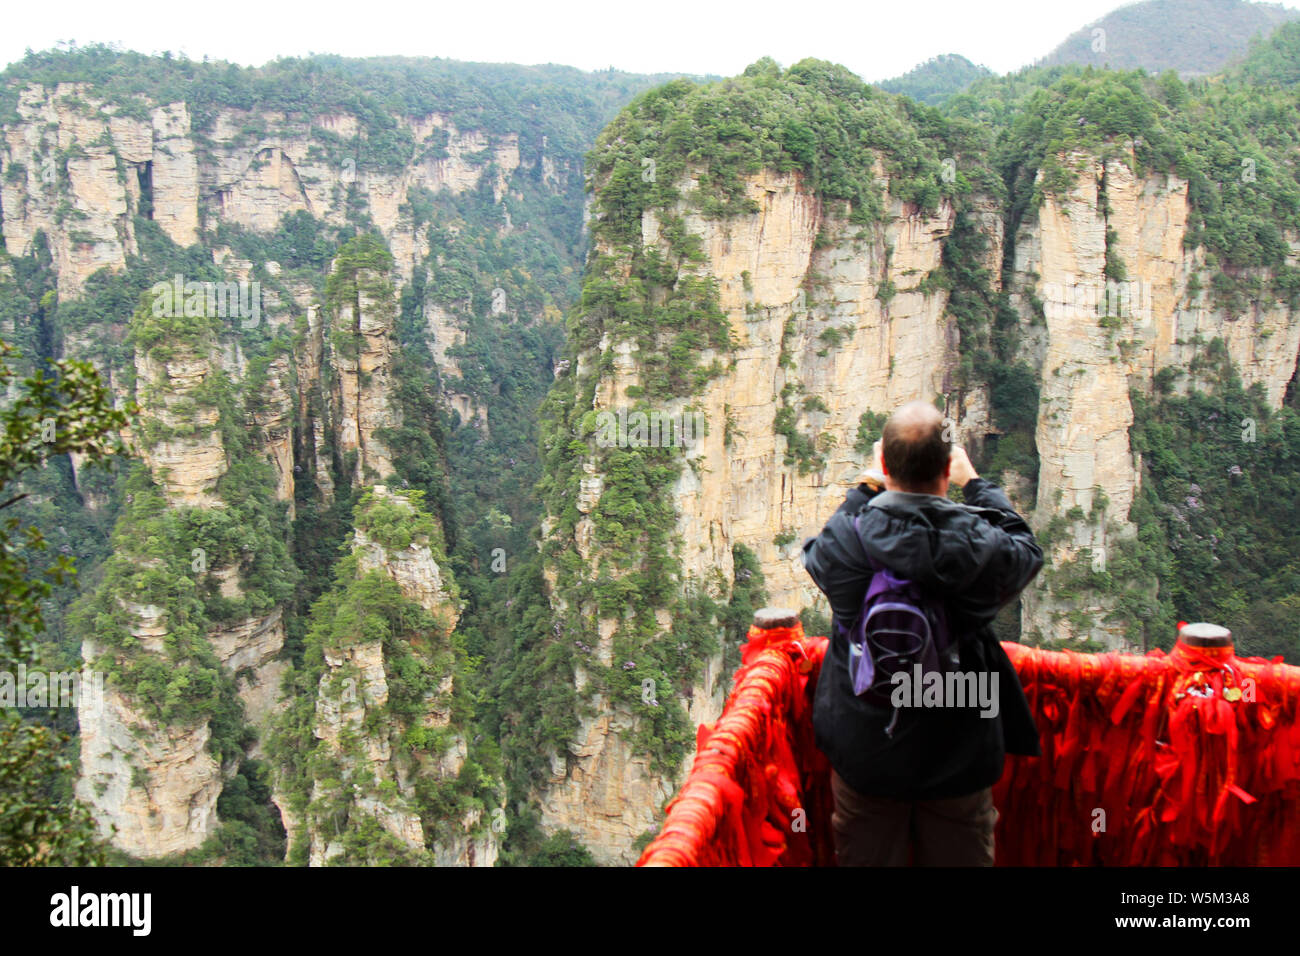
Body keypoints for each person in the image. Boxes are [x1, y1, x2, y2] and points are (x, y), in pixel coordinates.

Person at [802, 400, 1043, 866]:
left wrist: (866, 483)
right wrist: (975, 483)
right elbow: (1025, 549)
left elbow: (818, 553)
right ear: (947, 466)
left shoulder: (848, 542)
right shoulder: (978, 542)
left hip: (867, 744)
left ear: (886, 465)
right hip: (957, 746)